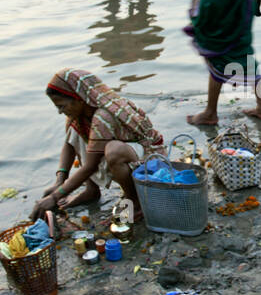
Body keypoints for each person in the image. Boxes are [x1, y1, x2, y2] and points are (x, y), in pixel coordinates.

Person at [32, 69, 164, 217]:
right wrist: (59, 181)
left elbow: (90, 166)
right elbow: (69, 145)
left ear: (79, 98)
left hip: (147, 159)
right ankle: (91, 190)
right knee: (76, 133)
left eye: (62, 106)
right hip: (127, 152)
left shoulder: (104, 115)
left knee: (113, 150)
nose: (60, 112)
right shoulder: (78, 114)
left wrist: (55, 197)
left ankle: (134, 201)